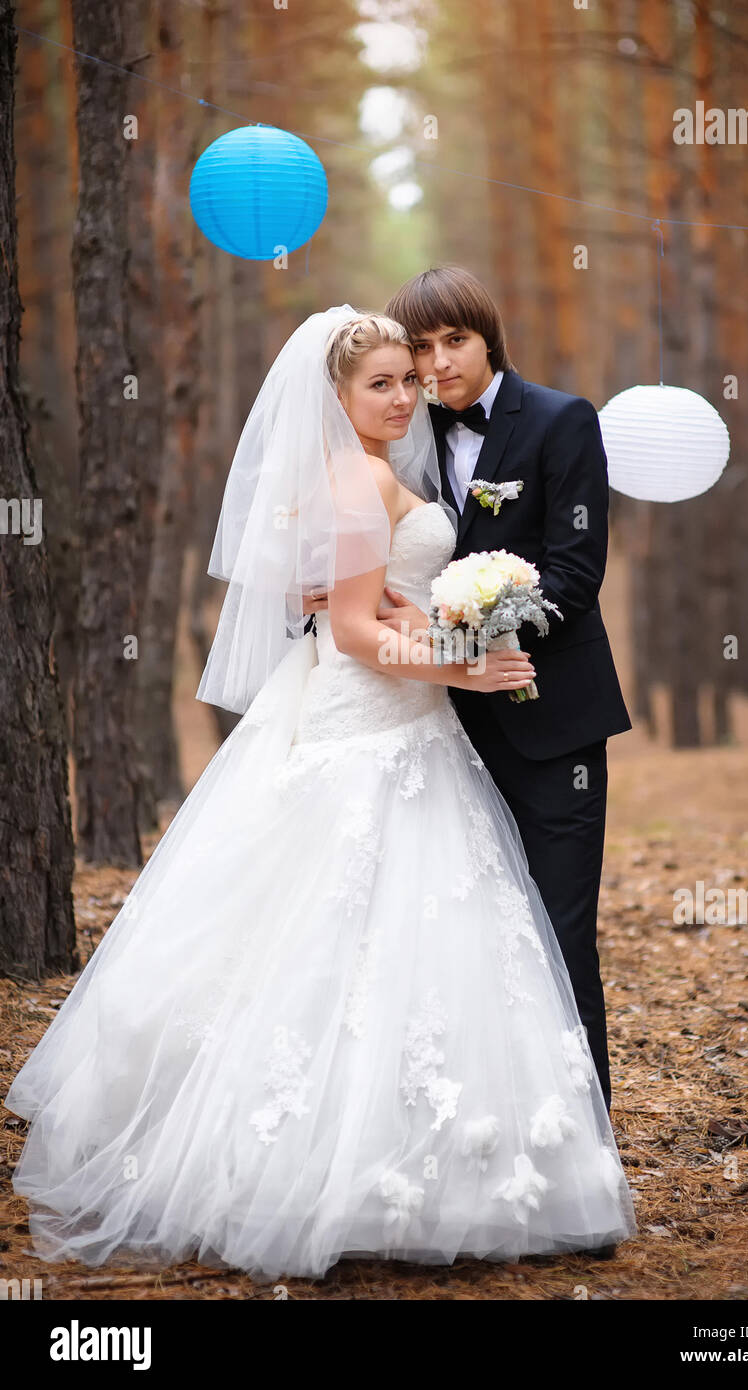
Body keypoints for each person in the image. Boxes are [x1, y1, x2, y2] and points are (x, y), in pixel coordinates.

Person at [3, 306, 636, 1282]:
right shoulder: (352, 482)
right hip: (373, 721)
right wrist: (458, 663)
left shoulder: (397, 471)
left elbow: (387, 594)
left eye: (406, 377)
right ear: (335, 396)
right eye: (380, 381)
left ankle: (455, 1160)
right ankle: (316, 1169)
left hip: (417, 724)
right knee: (338, 935)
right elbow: (348, 634)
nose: (402, 392)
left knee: (436, 943)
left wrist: (410, 617)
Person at [374, 268, 633, 1113]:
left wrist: (474, 635)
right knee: (462, 936)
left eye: (454, 341)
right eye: (420, 348)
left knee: (559, 934)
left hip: (548, 720)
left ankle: (582, 1138)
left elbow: (573, 574)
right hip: (436, 725)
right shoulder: (404, 439)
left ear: (488, 338)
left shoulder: (562, 421)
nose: (437, 362)